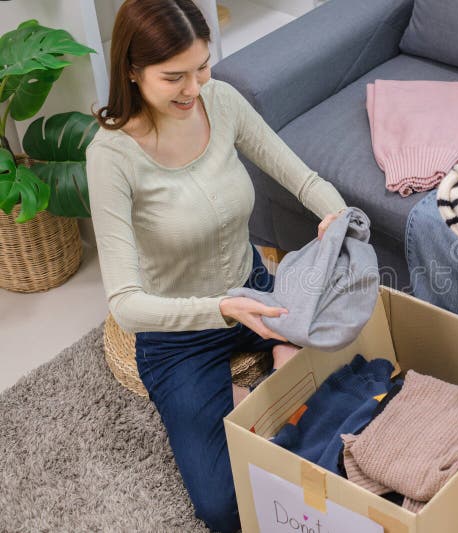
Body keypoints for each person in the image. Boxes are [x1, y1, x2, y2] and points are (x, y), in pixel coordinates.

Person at [86, 1, 347, 531]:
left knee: (356, 383)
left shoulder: (220, 102)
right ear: (132, 72)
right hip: (180, 332)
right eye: (174, 77)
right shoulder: (111, 156)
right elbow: (125, 305)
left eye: (202, 66)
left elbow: (299, 177)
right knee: (223, 507)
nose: (193, 88)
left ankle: (274, 356)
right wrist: (222, 308)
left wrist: (338, 213)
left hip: (254, 287)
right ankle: (253, 385)